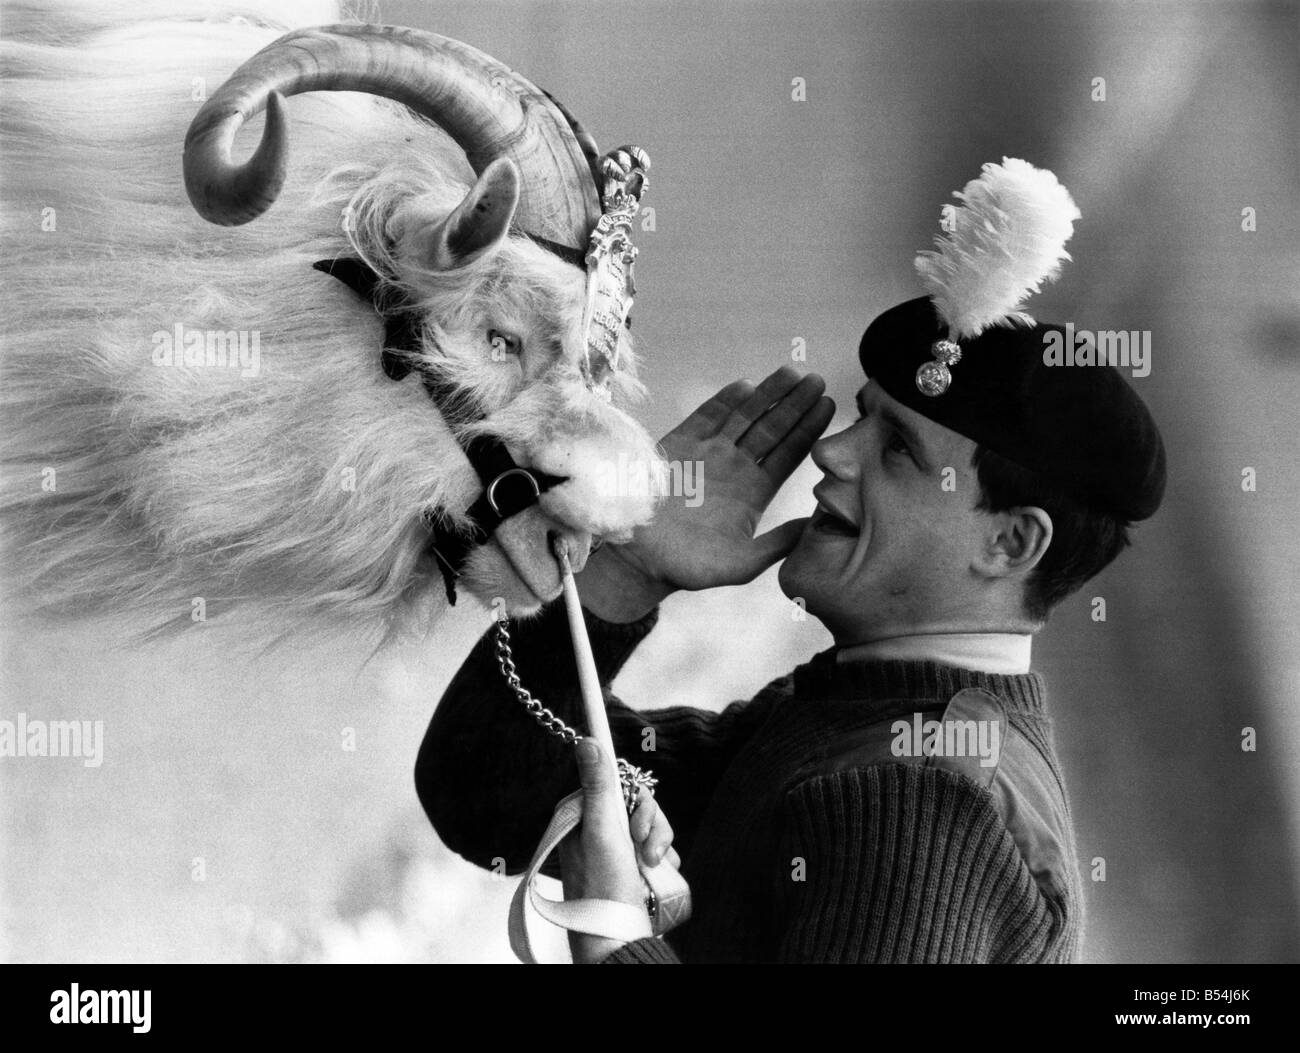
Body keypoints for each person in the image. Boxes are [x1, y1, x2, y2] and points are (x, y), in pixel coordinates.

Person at [415, 159, 1166, 963]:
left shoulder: (930, 796)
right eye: (861, 419)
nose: (835, 453)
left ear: (1010, 542)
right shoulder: (872, 723)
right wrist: (627, 568)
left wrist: (615, 931)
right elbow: (487, 789)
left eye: (899, 451)